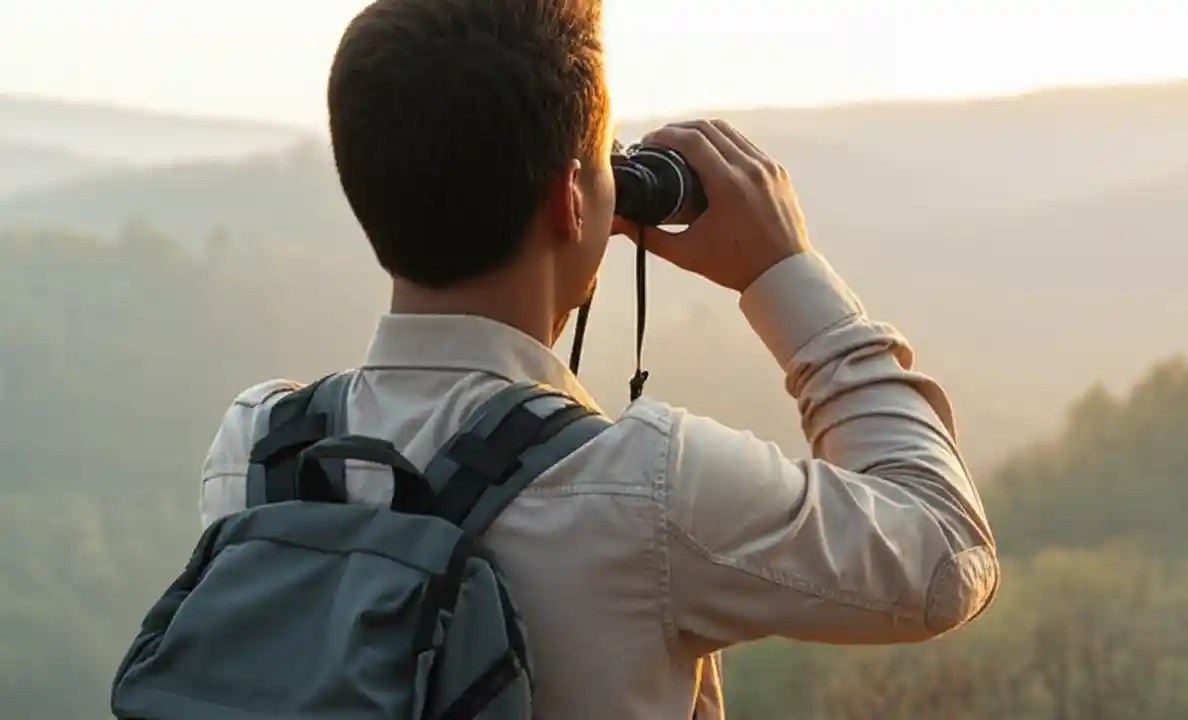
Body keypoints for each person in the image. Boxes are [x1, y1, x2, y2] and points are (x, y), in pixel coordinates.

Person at [198, 0, 1000, 717]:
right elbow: (943, 556)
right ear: (572, 198)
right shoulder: (644, 487)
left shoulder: (260, 451)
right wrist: (782, 269)